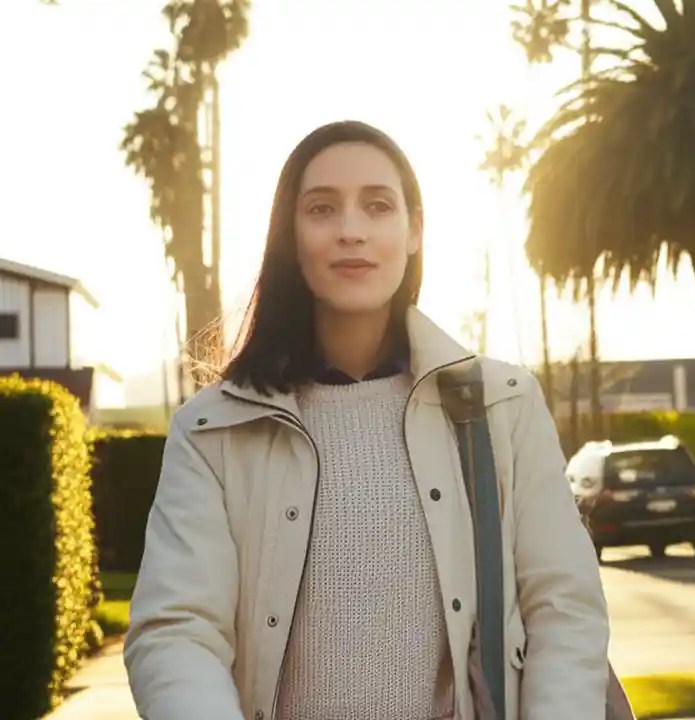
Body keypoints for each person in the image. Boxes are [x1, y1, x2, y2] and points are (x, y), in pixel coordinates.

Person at [124, 120, 610, 720]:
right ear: (290, 236)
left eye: (378, 206)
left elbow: (566, 608)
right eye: (322, 208)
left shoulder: (502, 404)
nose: (351, 230)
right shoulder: (212, 431)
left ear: (414, 231)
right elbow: (176, 632)